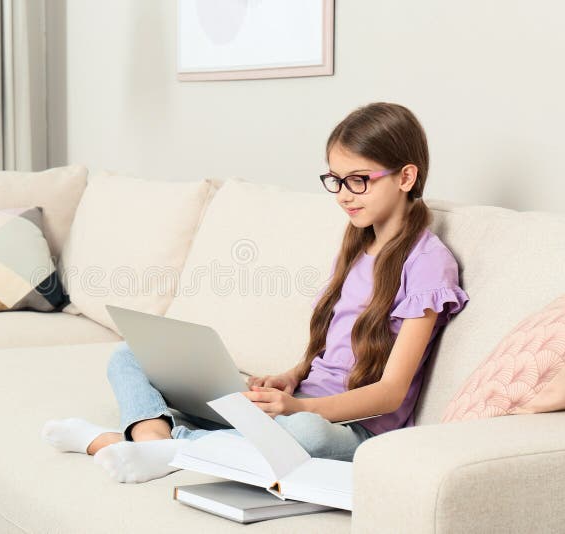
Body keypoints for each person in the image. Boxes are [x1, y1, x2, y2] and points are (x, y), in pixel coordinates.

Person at [42, 102, 470, 483]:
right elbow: (334, 350)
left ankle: (133, 443)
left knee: (305, 435)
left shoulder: (428, 263)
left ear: (406, 177)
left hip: (351, 428)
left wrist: (300, 410)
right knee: (129, 355)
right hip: (298, 404)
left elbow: (392, 392)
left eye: (358, 181)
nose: (343, 196)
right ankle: (155, 441)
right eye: (335, 180)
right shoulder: (359, 244)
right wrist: (292, 376)